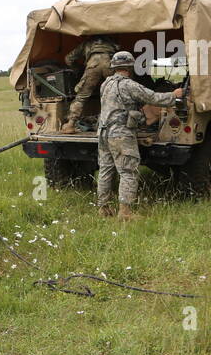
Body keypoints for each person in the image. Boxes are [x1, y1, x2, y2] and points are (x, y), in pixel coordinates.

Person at [96, 51, 184, 220]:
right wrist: (174, 95)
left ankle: (103, 208)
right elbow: (153, 98)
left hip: (103, 133)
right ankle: (125, 212)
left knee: (106, 170)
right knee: (128, 171)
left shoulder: (105, 84)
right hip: (121, 134)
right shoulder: (129, 85)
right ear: (130, 67)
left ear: (114, 67)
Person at [61, 35, 120, 133]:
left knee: (81, 97)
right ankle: (113, 124)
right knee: (116, 94)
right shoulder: (112, 41)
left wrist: (78, 69)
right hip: (109, 64)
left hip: (92, 65)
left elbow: (68, 59)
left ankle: (70, 125)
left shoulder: (86, 43)